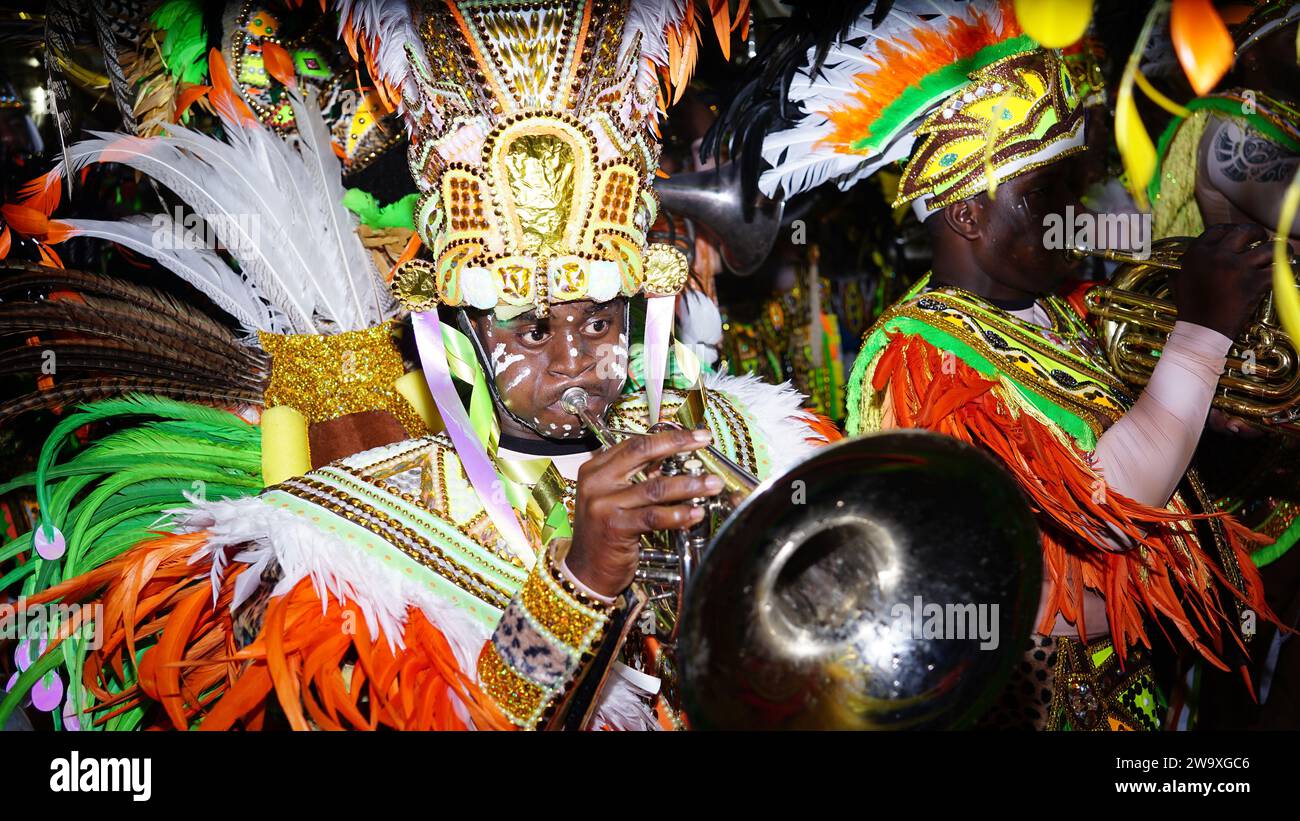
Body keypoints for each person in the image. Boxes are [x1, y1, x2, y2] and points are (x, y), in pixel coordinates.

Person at [2, 0, 834, 732]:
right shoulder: (355, 532)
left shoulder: (735, 436)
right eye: (534, 328)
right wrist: (579, 579)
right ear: (455, 326)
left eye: (603, 318)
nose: (579, 357)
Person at [748, 0, 1283, 730]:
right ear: (967, 215)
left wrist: (1214, 409)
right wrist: (1200, 335)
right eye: (1045, 196)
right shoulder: (919, 354)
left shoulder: (1051, 307)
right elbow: (1108, 508)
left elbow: (1131, 441)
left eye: (1073, 186)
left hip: (1123, 695)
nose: (1076, 211)